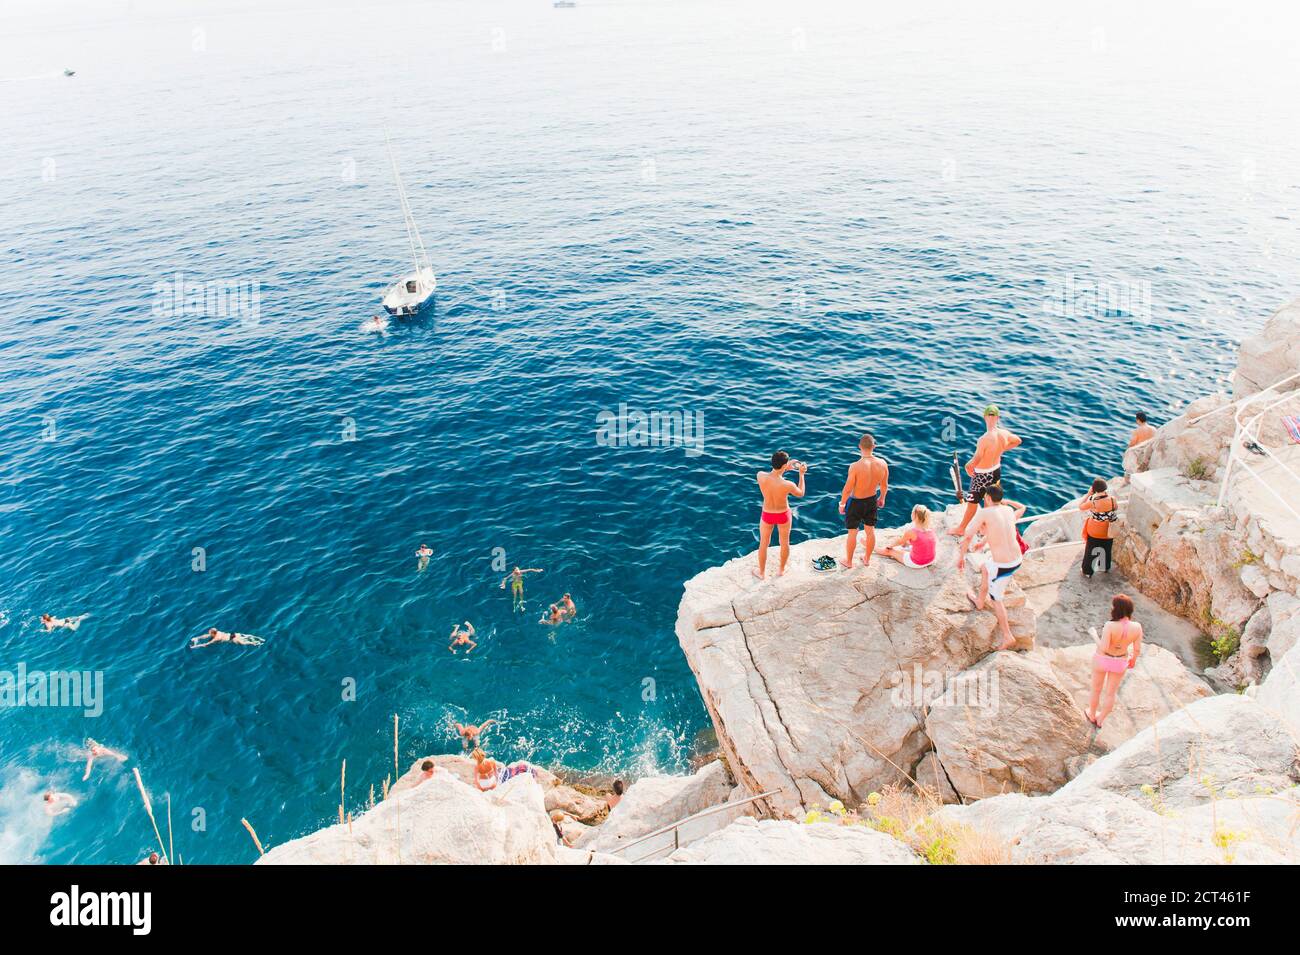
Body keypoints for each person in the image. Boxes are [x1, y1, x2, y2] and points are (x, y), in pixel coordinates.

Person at [957, 484, 1021, 652]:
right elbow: (1004, 526)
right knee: (986, 567)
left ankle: (1008, 635)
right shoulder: (1007, 510)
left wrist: (961, 557)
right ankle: (979, 600)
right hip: (1016, 558)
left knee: (996, 599)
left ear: (987, 498)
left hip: (1004, 566)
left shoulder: (985, 512)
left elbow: (968, 534)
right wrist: (984, 542)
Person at [952, 405, 1022, 537]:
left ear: (984, 417)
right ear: (998, 418)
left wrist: (967, 466)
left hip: (982, 475)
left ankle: (961, 529)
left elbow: (976, 460)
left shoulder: (984, 439)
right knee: (989, 499)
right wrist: (1002, 449)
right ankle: (985, 526)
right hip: (996, 471)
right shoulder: (1004, 433)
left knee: (972, 503)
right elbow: (1018, 441)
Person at [1086, 594, 1144, 728]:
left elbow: (1104, 648)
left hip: (1102, 660)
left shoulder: (1110, 625)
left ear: (1116, 609)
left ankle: (1092, 713)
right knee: (1111, 693)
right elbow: (1137, 649)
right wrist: (1133, 660)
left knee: (1096, 689)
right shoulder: (1137, 627)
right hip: (1120, 661)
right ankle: (1101, 719)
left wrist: (1094, 635)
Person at [837, 433, 889, 569]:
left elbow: (847, 489)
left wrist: (842, 504)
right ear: (874, 446)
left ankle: (849, 561)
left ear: (859, 446)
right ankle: (867, 559)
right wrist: (882, 498)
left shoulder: (855, 466)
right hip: (871, 500)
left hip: (855, 502)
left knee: (852, 532)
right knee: (870, 531)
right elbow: (884, 485)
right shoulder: (883, 463)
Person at [754, 452, 807, 579]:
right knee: (784, 543)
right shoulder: (787, 484)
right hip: (783, 515)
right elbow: (800, 493)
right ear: (784, 466)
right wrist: (801, 474)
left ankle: (761, 573)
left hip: (767, 514)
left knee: (763, 544)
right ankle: (781, 570)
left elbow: (774, 474)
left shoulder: (760, 476)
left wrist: (784, 467)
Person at [1078, 478, 1118, 578]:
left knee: (1090, 552)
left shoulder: (1094, 502)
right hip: (1108, 531)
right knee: (1106, 549)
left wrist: (1088, 494)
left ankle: (1087, 571)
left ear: (1094, 489)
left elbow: (1081, 506)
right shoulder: (1113, 499)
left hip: (1094, 531)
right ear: (1105, 488)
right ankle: (1104, 567)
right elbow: (1115, 508)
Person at [190, 628, 264, 648]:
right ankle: (259, 638)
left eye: (210, 633)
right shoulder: (217, 632)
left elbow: (206, 644)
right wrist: (197, 637)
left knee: (245, 642)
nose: (208, 633)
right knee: (245, 636)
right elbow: (206, 636)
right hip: (235, 634)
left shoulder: (216, 638)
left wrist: (195, 646)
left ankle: (255, 643)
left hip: (233, 639)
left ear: (213, 633)